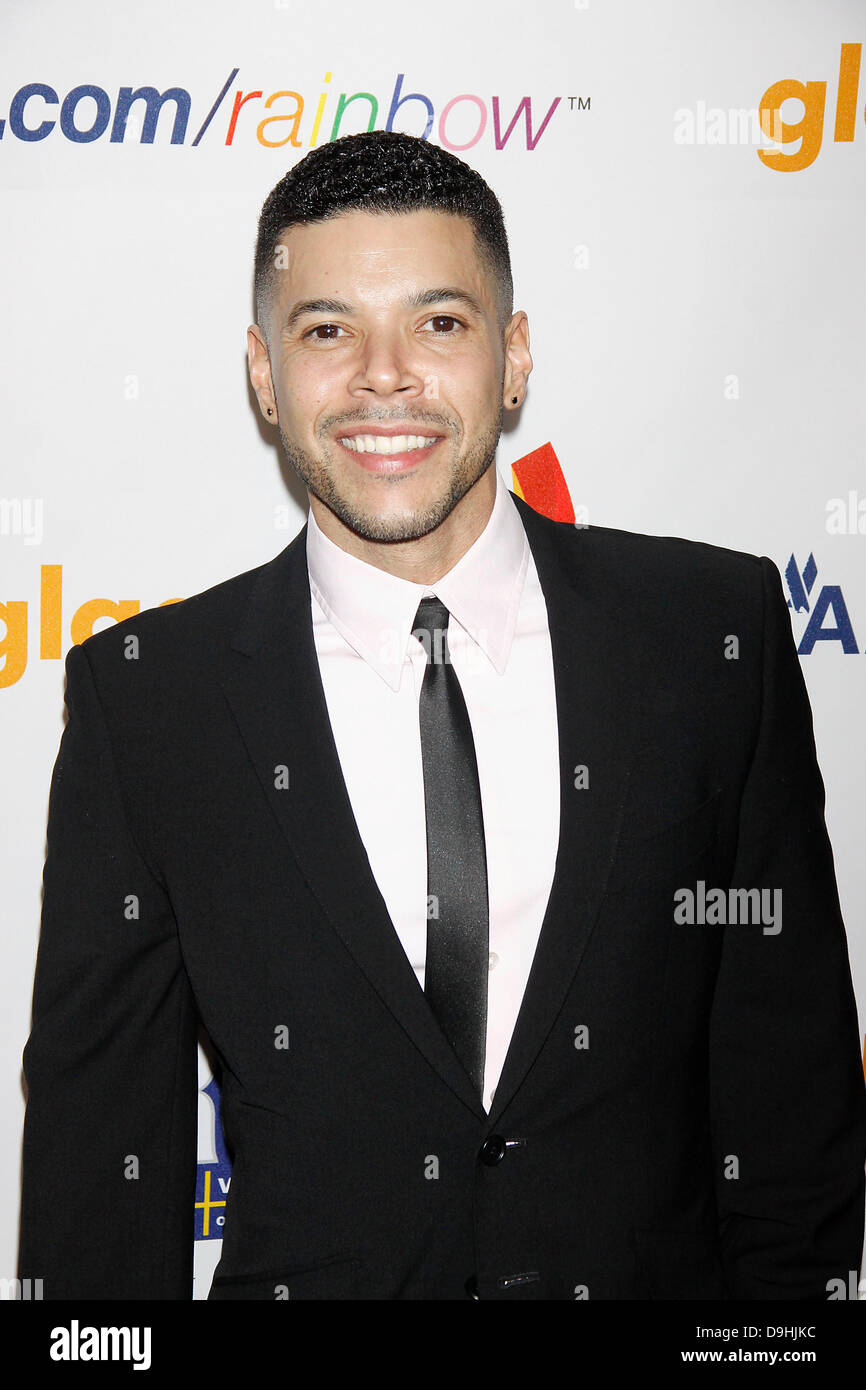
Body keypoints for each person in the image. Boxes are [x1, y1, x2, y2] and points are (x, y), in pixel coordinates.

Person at [18, 130, 866, 1301]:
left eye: (438, 322)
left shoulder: (708, 640)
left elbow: (791, 1097)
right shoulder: (150, 694)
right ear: (263, 375)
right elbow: (98, 1173)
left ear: (512, 358)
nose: (382, 376)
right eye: (326, 330)